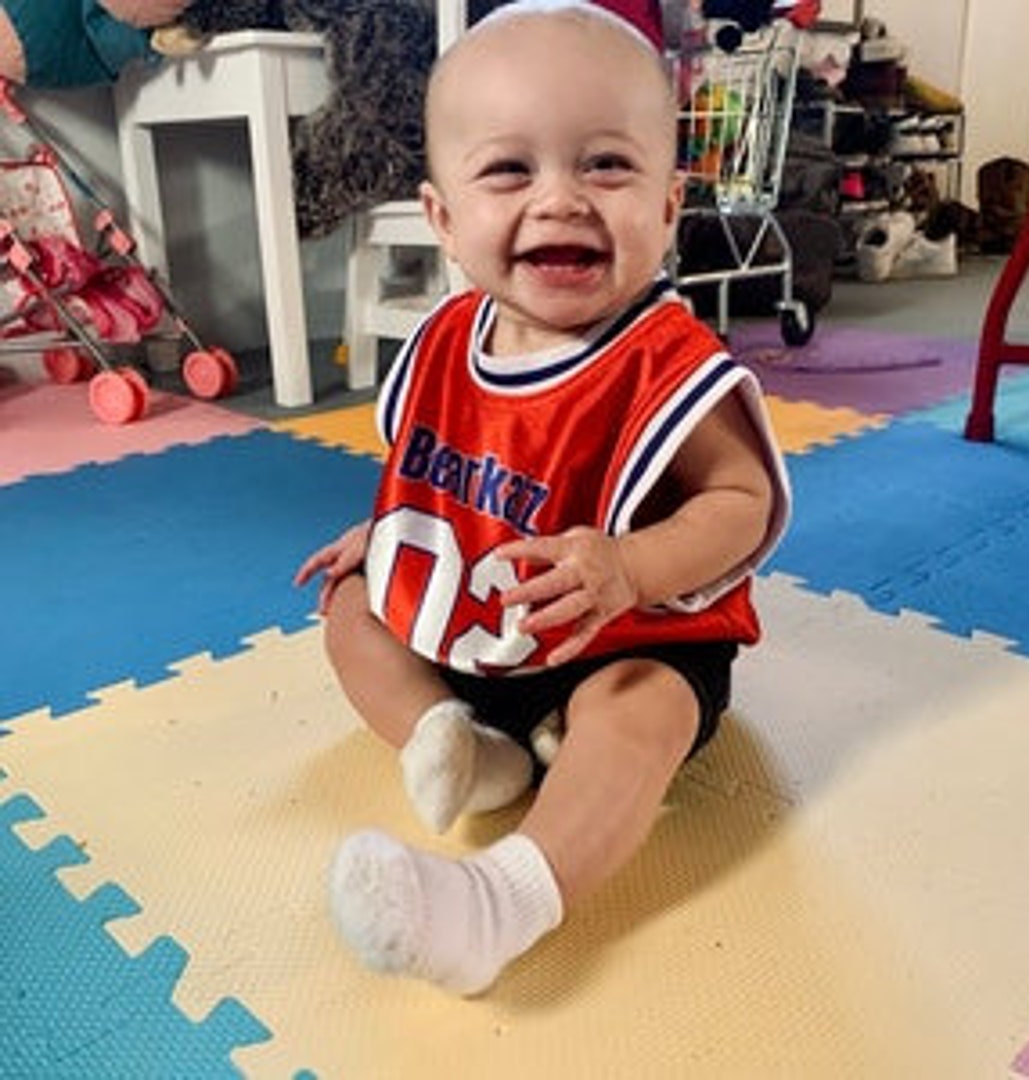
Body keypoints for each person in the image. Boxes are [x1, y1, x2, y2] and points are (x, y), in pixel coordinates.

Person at [293, 0, 790, 997]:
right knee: (346, 609)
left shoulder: (664, 364)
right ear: (444, 218)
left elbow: (743, 500)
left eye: (605, 164)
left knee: (641, 711)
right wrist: (387, 530)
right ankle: (459, 745)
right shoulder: (445, 340)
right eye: (510, 170)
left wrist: (630, 567)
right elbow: (442, 468)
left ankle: (497, 903)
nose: (561, 199)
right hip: (476, 636)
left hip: (619, 644)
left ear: (667, 205)